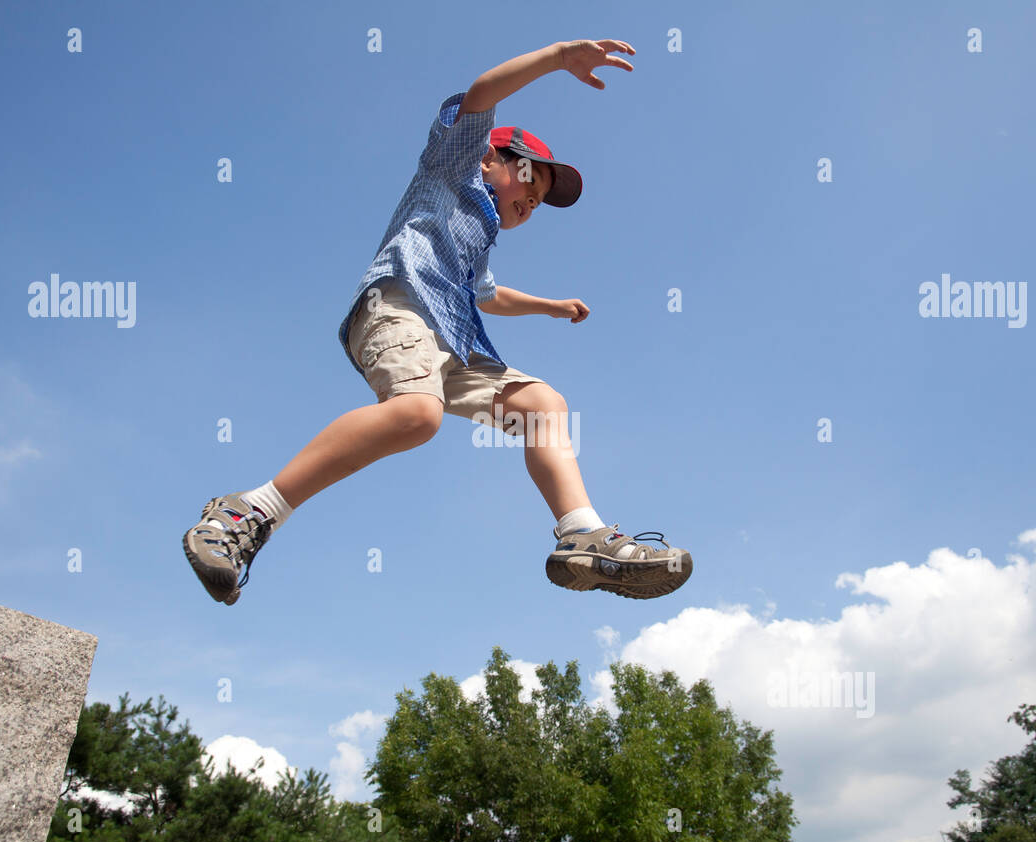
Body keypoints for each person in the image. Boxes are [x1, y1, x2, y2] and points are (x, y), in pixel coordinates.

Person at [183, 39, 691, 605]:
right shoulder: (453, 170)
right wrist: (557, 57)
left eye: (542, 201)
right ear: (489, 159)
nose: (534, 201)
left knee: (544, 404)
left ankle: (581, 533)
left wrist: (549, 306)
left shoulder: (483, 237)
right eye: (530, 179)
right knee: (416, 416)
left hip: (455, 344)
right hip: (398, 306)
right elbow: (480, 95)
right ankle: (246, 512)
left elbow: (488, 295)